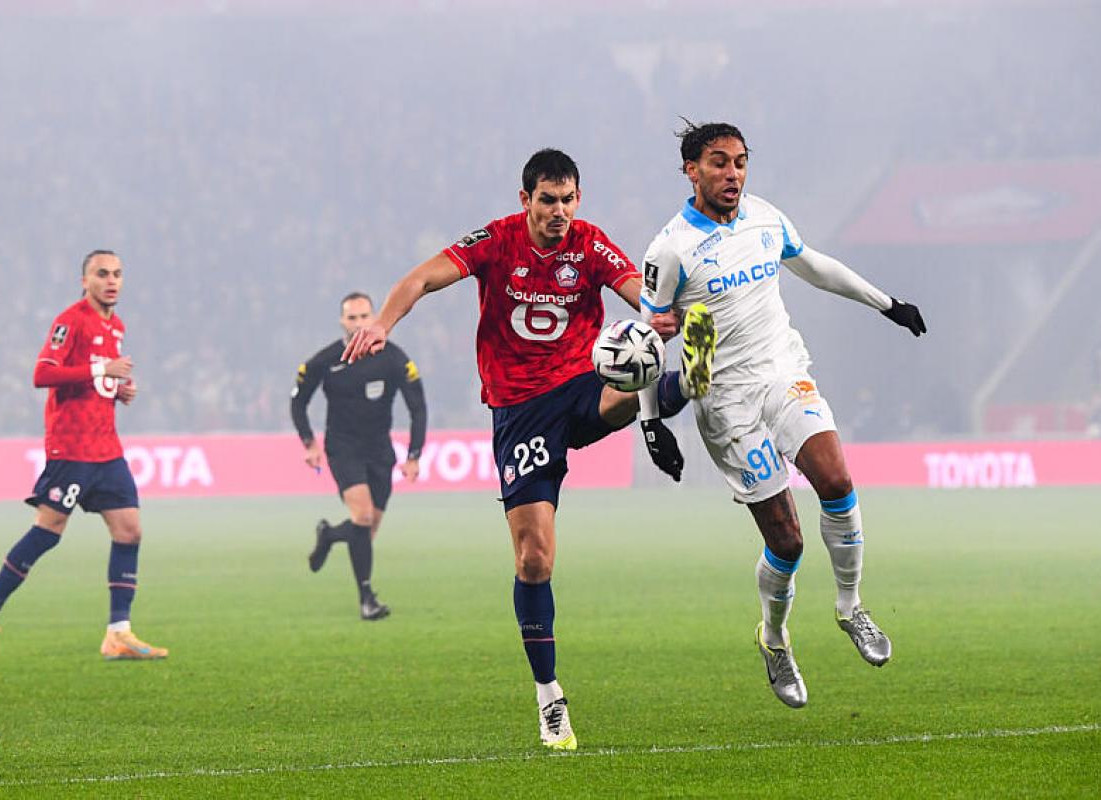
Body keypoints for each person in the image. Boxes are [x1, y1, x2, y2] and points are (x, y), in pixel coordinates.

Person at [343, 149, 713, 751]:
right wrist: (383, 322)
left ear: (578, 199)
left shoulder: (589, 244)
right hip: (520, 411)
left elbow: (635, 292)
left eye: (568, 200)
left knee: (630, 367)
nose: (559, 211)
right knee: (534, 559)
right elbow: (422, 278)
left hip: (582, 385)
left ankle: (682, 383)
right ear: (526, 201)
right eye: (548, 200)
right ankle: (549, 697)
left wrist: (660, 317)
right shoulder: (496, 241)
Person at [641, 121, 927, 708]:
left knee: (837, 481)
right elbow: (650, 339)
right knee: (788, 542)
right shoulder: (669, 249)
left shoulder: (766, 218)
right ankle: (773, 639)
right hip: (724, 399)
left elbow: (814, 264)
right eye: (719, 162)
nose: (733, 174)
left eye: (740, 161)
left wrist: (887, 304)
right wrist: (651, 422)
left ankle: (850, 607)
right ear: (691, 170)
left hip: (782, 372)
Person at [0, 250, 167, 666]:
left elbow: (96, 378)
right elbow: (43, 374)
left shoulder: (116, 326)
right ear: (84, 280)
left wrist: (116, 390)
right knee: (49, 529)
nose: (111, 281)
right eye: (102, 274)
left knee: (129, 531)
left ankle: (118, 633)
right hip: (71, 448)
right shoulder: (70, 321)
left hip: (107, 448)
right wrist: (101, 372)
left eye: (117, 274)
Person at [291, 291, 428, 621]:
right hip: (343, 448)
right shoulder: (325, 360)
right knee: (363, 516)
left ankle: (330, 534)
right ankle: (367, 599)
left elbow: (418, 407)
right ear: (342, 321)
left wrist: (414, 455)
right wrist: (309, 443)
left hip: (380, 450)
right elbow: (298, 401)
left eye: (364, 316)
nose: (358, 323)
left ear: (374, 318)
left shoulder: (393, 358)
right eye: (352, 317)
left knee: (367, 529)